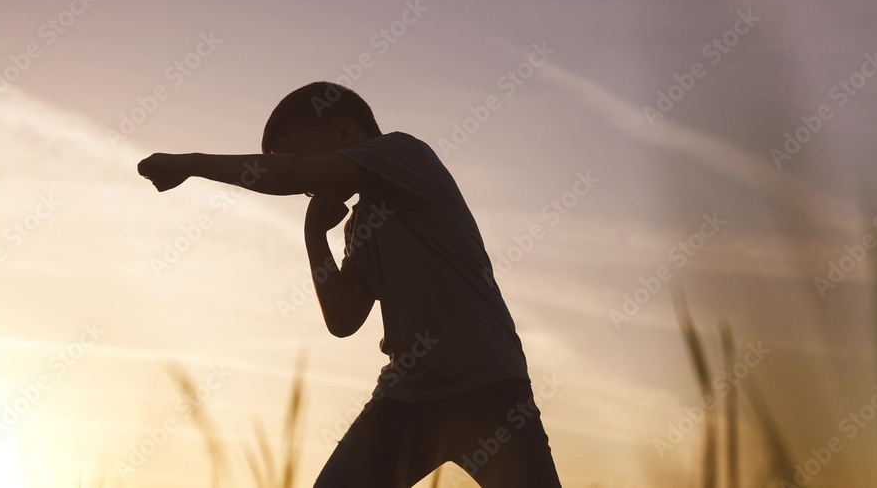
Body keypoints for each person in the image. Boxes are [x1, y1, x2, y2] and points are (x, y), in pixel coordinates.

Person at [137, 81, 561, 487]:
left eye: (294, 159)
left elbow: (293, 174)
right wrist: (314, 237)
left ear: (341, 130)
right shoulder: (360, 224)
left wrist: (188, 163)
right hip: (407, 398)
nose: (307, 189)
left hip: (488, 389)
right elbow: (343, 319)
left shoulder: (404, 154)